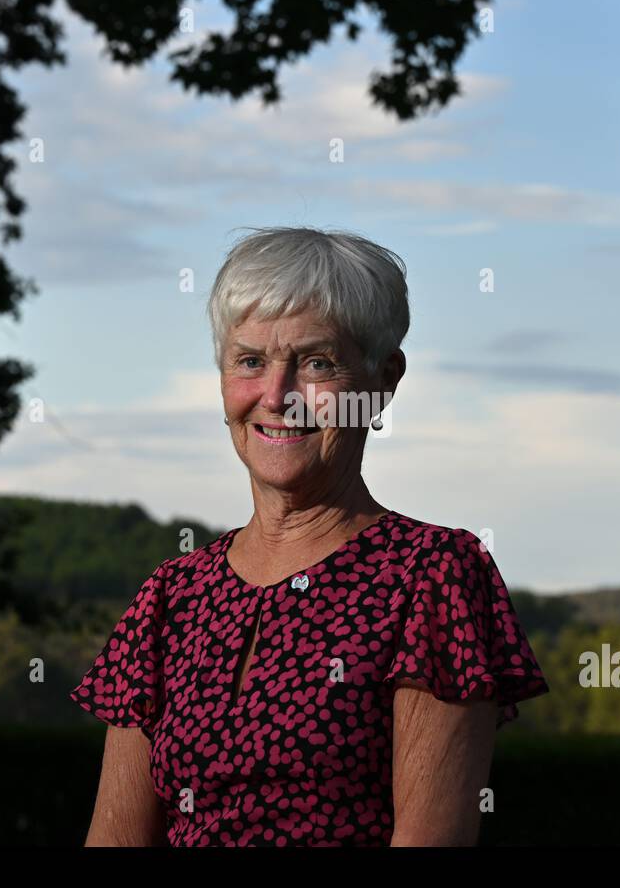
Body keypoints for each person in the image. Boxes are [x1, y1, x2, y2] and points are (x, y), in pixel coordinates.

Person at [69, 226, 549, 846]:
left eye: (317, 363)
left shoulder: (432, 575)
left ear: (383, 381)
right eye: (250, 362)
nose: (276, 395)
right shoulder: (171, 597)